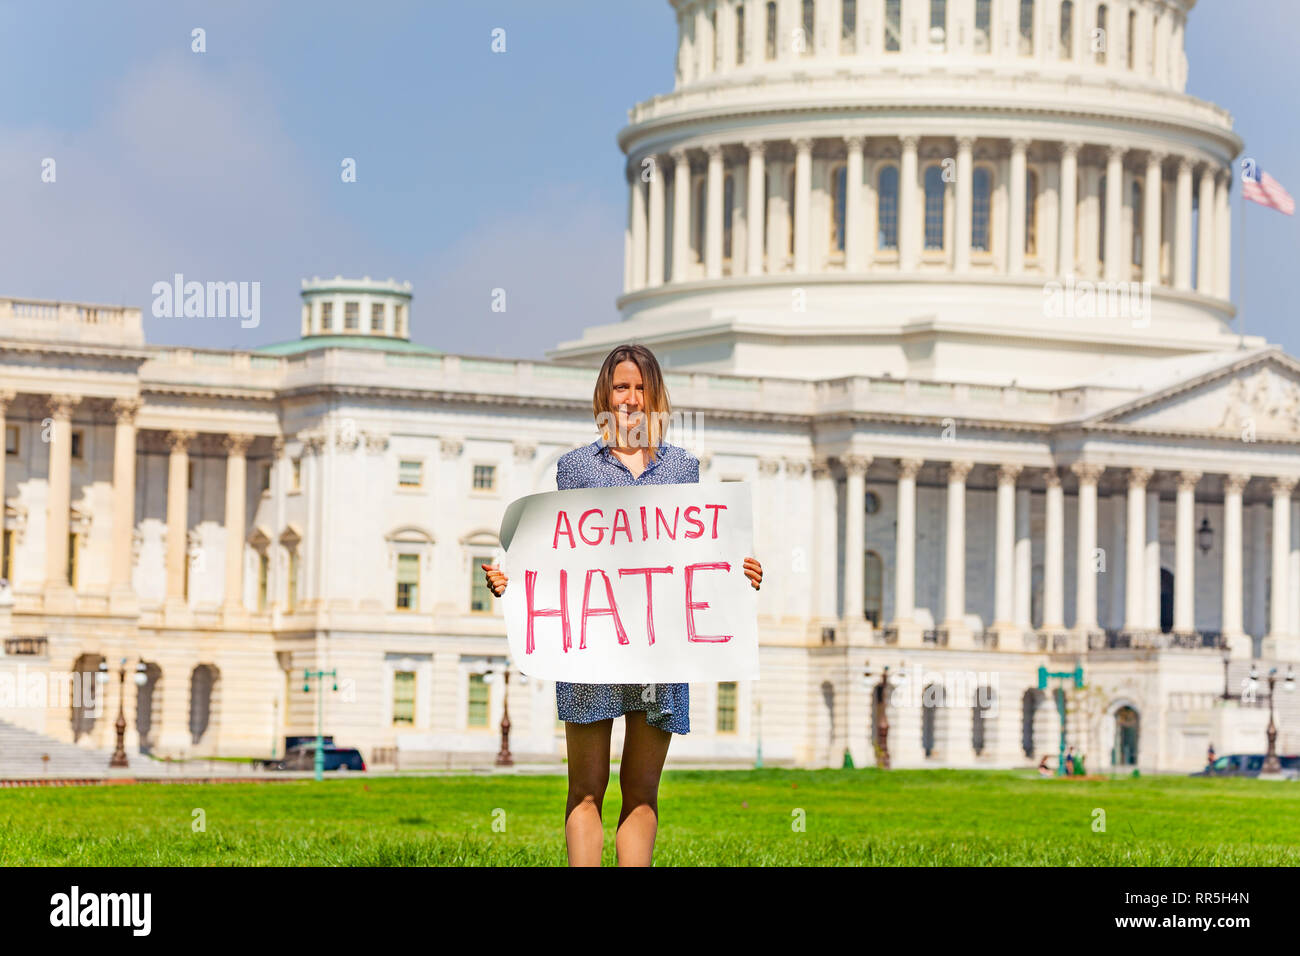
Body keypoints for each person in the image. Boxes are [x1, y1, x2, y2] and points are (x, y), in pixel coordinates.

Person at [481, 343, 763, 867]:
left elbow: (695, 551)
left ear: (654, 395)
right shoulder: (576, 469)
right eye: (620, 387)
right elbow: (560, 553)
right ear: (605, 396)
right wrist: (511, 583)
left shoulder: (682, 468)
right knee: (586, 790)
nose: (630, 399)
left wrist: (738, 571)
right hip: (594, 648)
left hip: (662, 650)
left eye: (639, 388)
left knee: (641, 792)